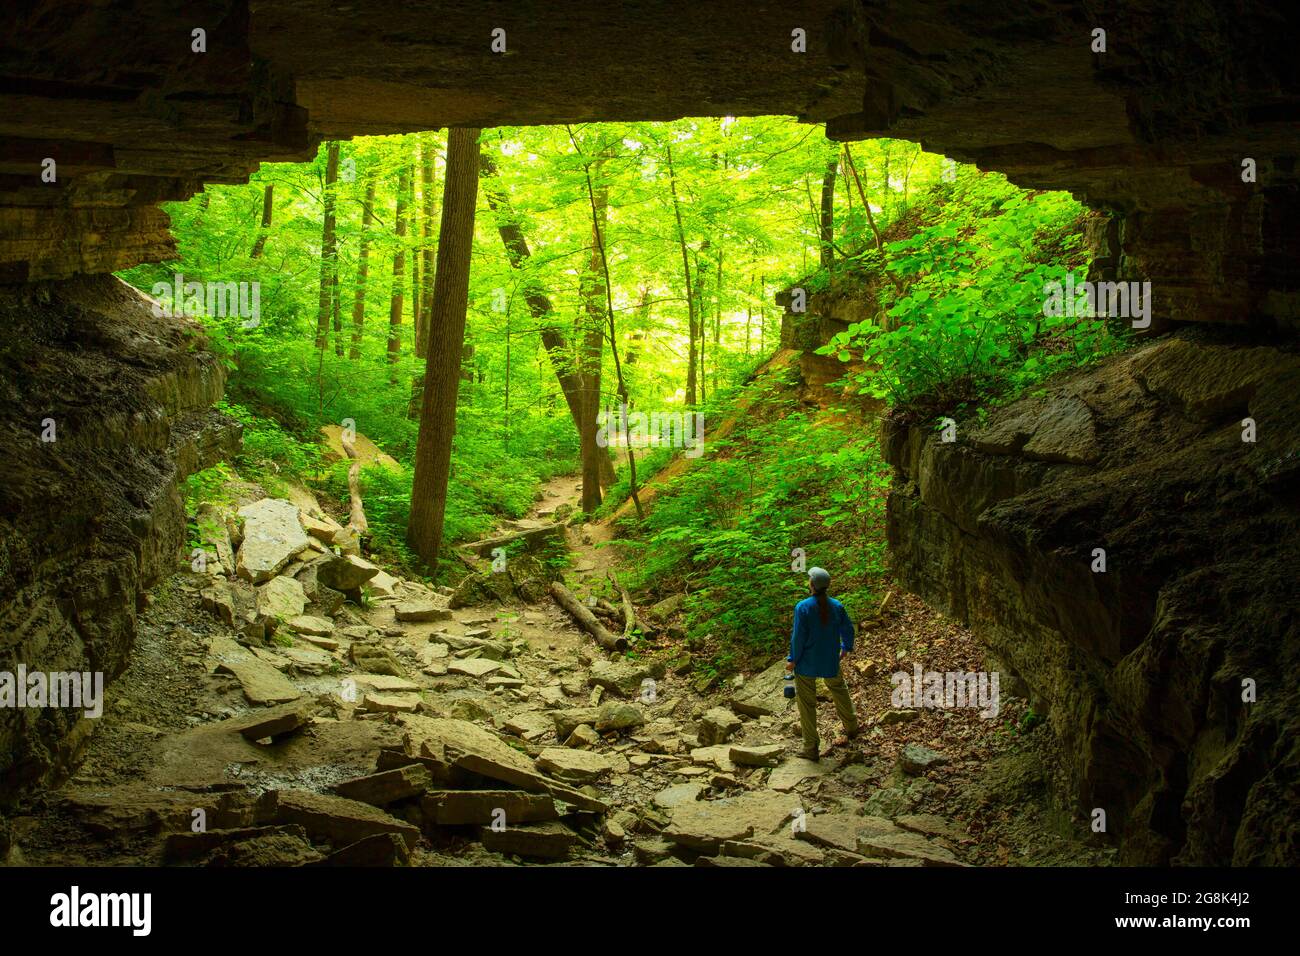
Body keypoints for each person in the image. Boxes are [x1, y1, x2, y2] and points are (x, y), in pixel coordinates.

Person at [785, 566, 859, 760]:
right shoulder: (837, 605)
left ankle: (811, 747)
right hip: (829, 661)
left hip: (806, 664)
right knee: (840, 691)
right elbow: (848, 629)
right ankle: (852, 727)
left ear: (812, 584)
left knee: (807, 704)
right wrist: (846, 647)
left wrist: (792, 659)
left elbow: (798, 638)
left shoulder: (803, 607)